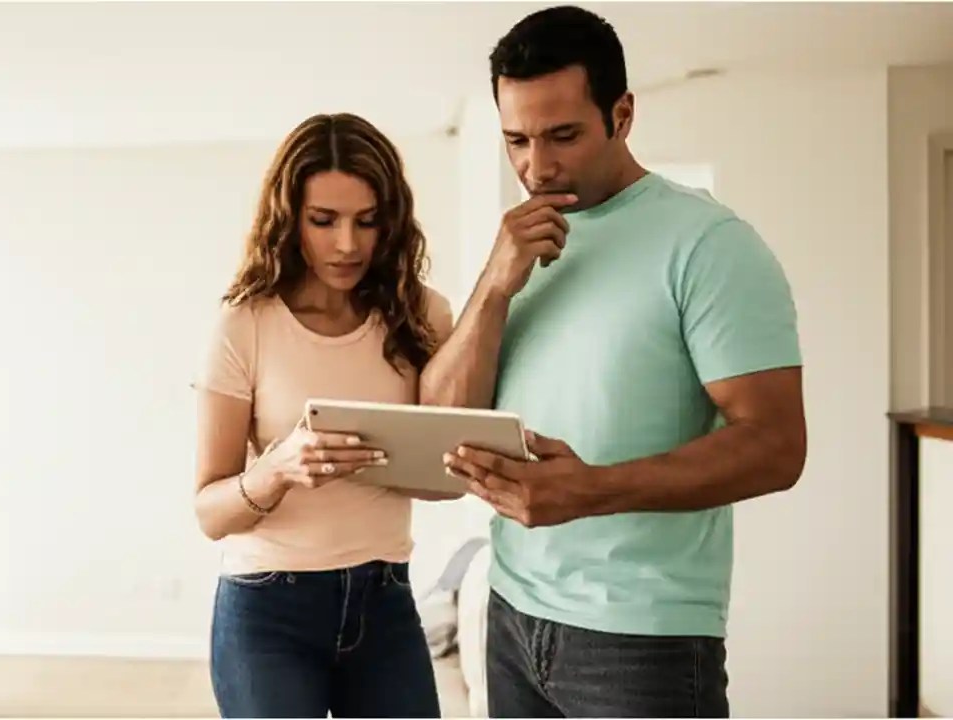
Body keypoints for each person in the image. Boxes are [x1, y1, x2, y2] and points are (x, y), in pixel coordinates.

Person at [421, 6, 807, 718]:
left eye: (563, 135)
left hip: (641, 639)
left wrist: (588, 490)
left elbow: (777, 447)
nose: (537, 167)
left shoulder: (709, 245)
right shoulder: (519, 246)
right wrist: (494, 285)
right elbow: (442, 418)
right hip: (508, 613)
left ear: (622, 114)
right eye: (517, 141)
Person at [193, 112, 457, 719]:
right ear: (289, 219)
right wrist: (278, 470)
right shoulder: (244, 326)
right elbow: (209, 511)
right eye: (324, 221)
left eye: (367, 221)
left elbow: (447, 481)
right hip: (267, 610)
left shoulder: (422, 315)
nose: (348, 243)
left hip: (385, 598)